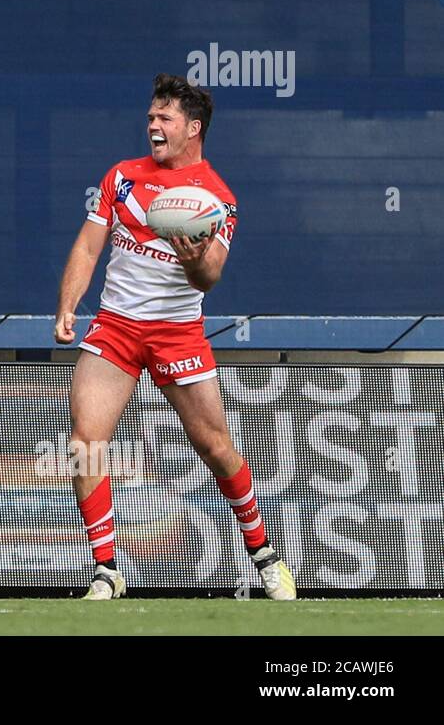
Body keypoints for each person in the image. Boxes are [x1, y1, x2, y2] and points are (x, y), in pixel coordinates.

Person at [54, 74, 296, 600]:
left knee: (214, 446)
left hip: (178, 334)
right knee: (84, 443)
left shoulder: (217, 198)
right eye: (150, 118)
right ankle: (106, 570)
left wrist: (195, 261)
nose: (153, 126)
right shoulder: (121, 177)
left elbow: (210, 277)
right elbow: (89, 246)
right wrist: (69, 305)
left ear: (194, 127)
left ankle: (265, 555)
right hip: (115, 327)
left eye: (164, 118)